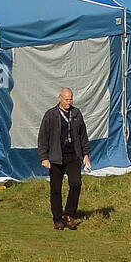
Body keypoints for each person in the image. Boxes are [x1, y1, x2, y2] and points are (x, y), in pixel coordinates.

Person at [37, 88, 91, 230]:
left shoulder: (77, 114)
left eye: (71, 99)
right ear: (60, 98)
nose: (69, 102)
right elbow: (43, 137)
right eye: (66, 99)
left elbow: (83, 135)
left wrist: (86, 154)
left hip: (73, 155)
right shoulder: (51, 115)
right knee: (56, 188)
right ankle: (57, 219)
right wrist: (44, 157)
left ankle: (69, 215)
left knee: (76, 184)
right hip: (55, 157)